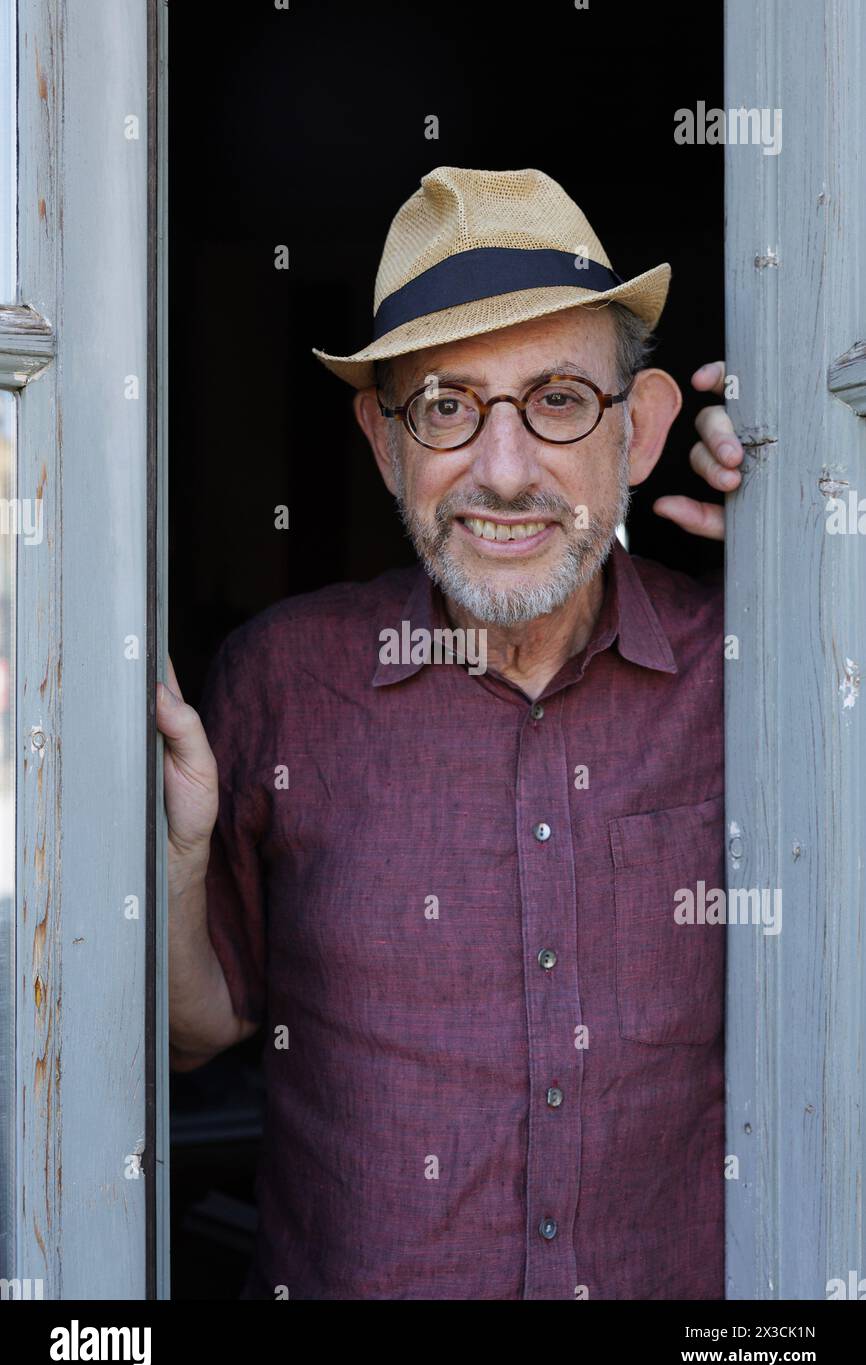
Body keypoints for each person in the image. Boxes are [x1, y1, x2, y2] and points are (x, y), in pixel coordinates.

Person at [161, 167, 744, 1300]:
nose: (504, 471)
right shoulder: (282, 681)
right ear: (386, 445)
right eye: (444, 406)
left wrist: (833, 532)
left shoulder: (751, 673)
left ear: (640, 430)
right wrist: (181, 864)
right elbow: (199, 1032)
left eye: (559, 399)